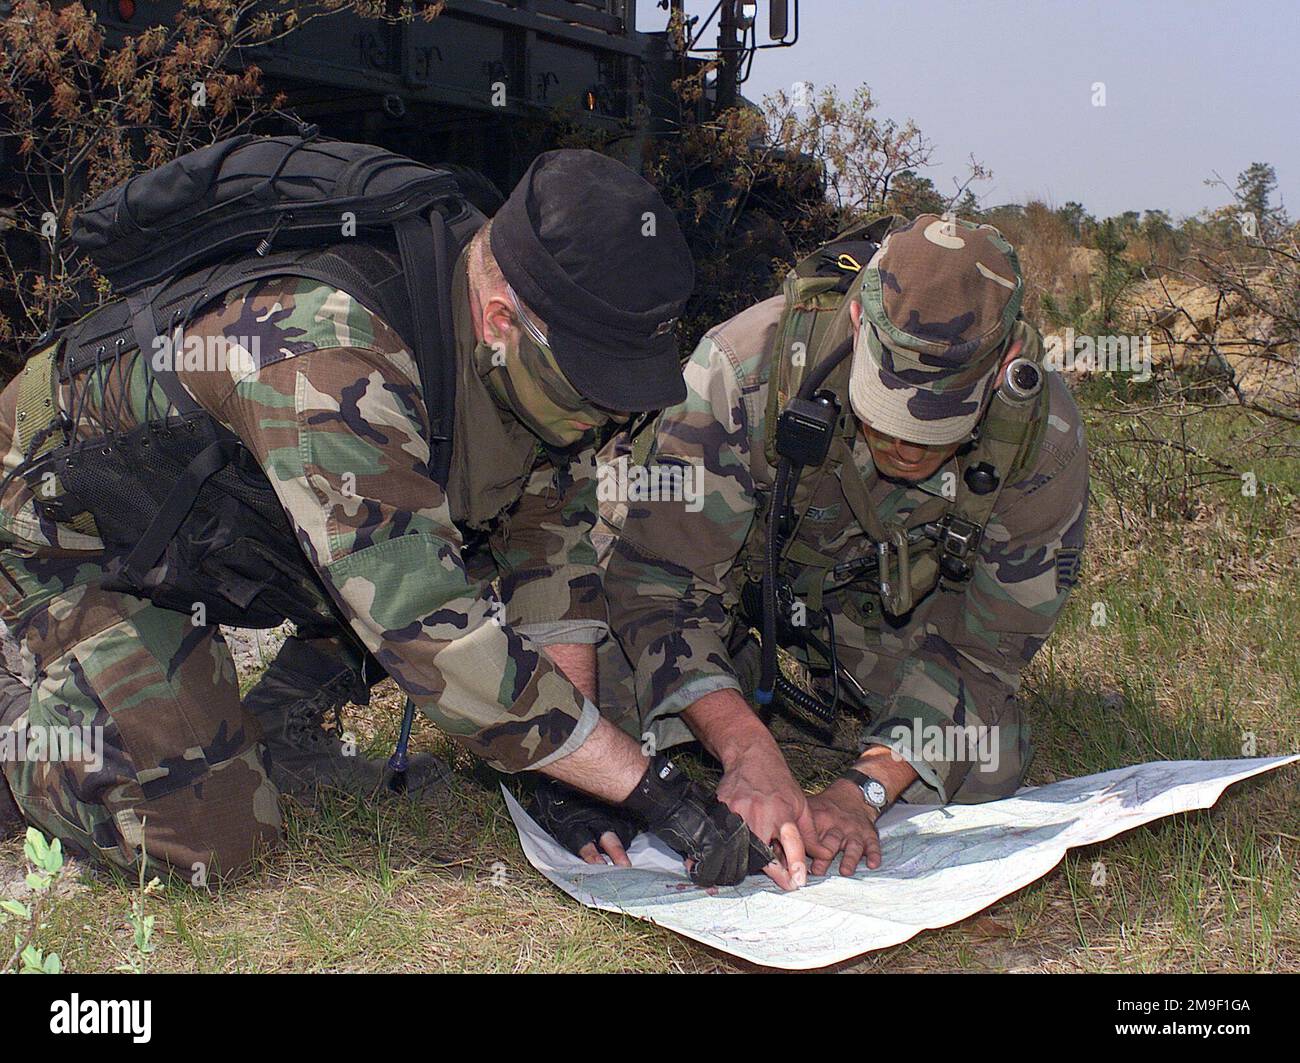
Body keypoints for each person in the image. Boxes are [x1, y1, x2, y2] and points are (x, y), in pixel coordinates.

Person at [0, 148, 757, 888]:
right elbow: (428, 625)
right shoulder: (326, 353)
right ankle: (20, 730)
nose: (608, 418)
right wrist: (653, 790)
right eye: (594, 391)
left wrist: (576, 776)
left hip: (210, 532)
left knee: (420, 540)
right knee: (210, 832)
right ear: (501, 320)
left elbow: (548, 546)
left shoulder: (506, 343)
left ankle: (273, 724)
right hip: (64, 535)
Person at [597, 214, 1089, 886]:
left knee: (991, 755)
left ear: (1004, 365)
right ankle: (743, 711)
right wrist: (744, 745)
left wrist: (865, 790)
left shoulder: (1042, 435)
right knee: (593, 692)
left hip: (876, 625)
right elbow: (655, 582)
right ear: (858, 319)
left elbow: (984, 654)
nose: (906, 444)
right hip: (727, 600)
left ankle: (813, 730)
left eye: (935, 422)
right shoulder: (743, 366)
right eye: (885, 406)